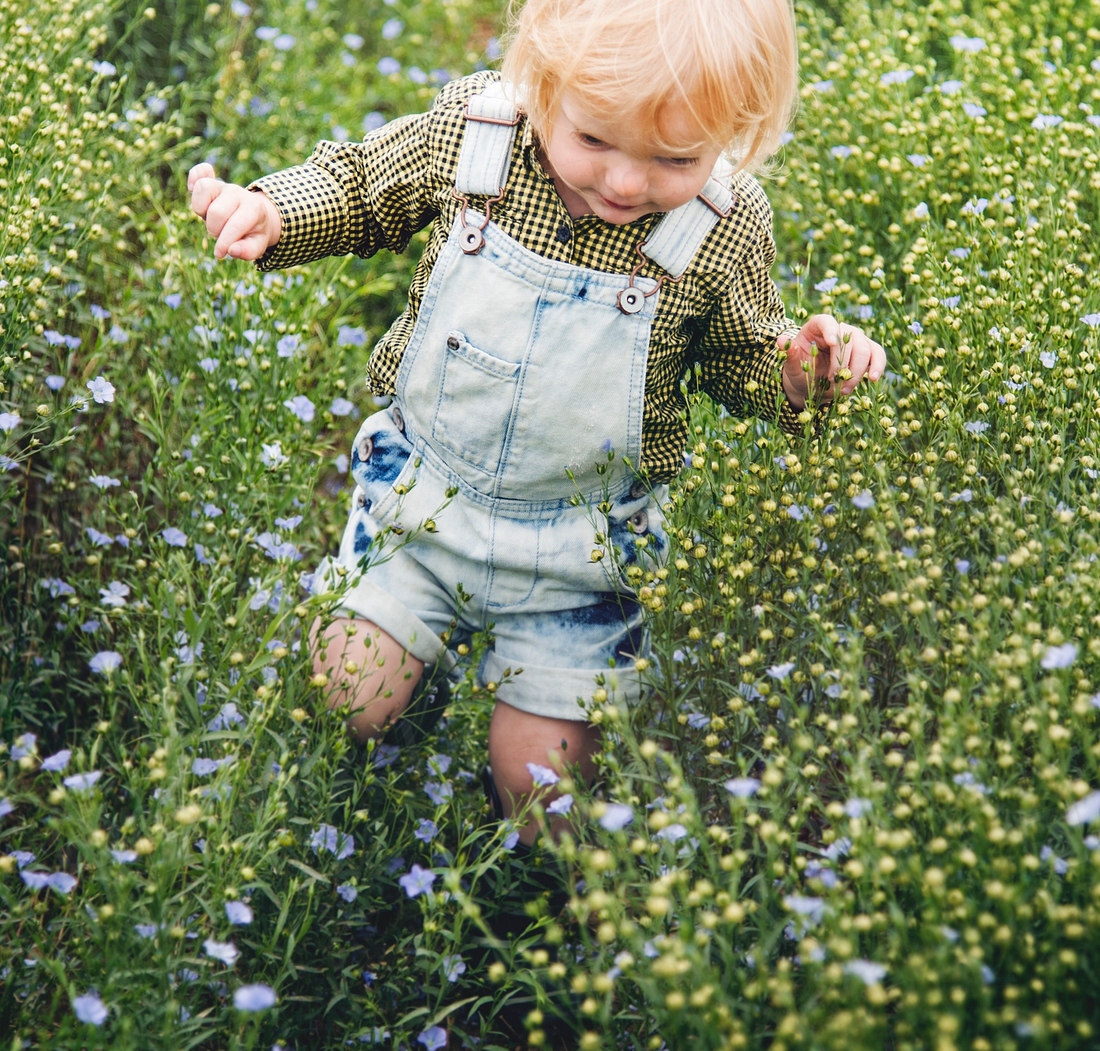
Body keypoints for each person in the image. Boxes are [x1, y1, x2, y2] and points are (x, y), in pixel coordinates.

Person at [188, 0, 886, 850]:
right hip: (423, 497)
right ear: (540, 83)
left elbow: (737, 356)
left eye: (675, 158)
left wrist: (798, 373)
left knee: (540, 790)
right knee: (351, 699)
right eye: (594, 140)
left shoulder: (723, 226)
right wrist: (275, 212)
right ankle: (365, 799)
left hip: (579, 552)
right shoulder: (475, 133)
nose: (626, 183)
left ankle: (541, 900)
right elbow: (363, 186)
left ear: (736, 134)